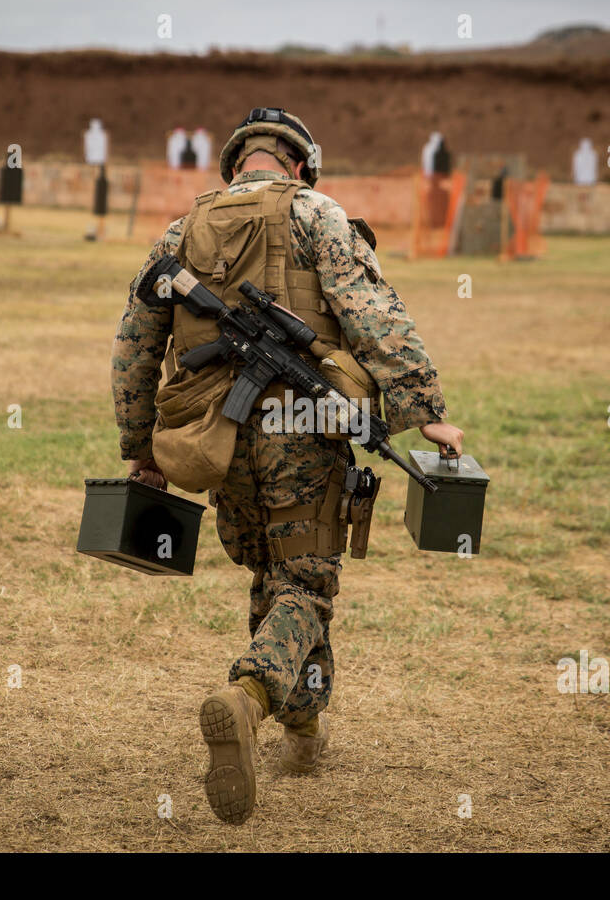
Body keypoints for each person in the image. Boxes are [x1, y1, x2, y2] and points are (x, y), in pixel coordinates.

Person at [111, 107, 464, 824]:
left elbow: (134, 346)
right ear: (300, 163)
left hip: (215, 438)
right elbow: (372, 312)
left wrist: (139, 447)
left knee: (274, 575)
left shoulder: (180, 233)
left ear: (239, 162)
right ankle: (249, 696)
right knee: (304, 582)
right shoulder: (316, 214)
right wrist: (424, 407)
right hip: (301, 428)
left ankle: (303, 728)